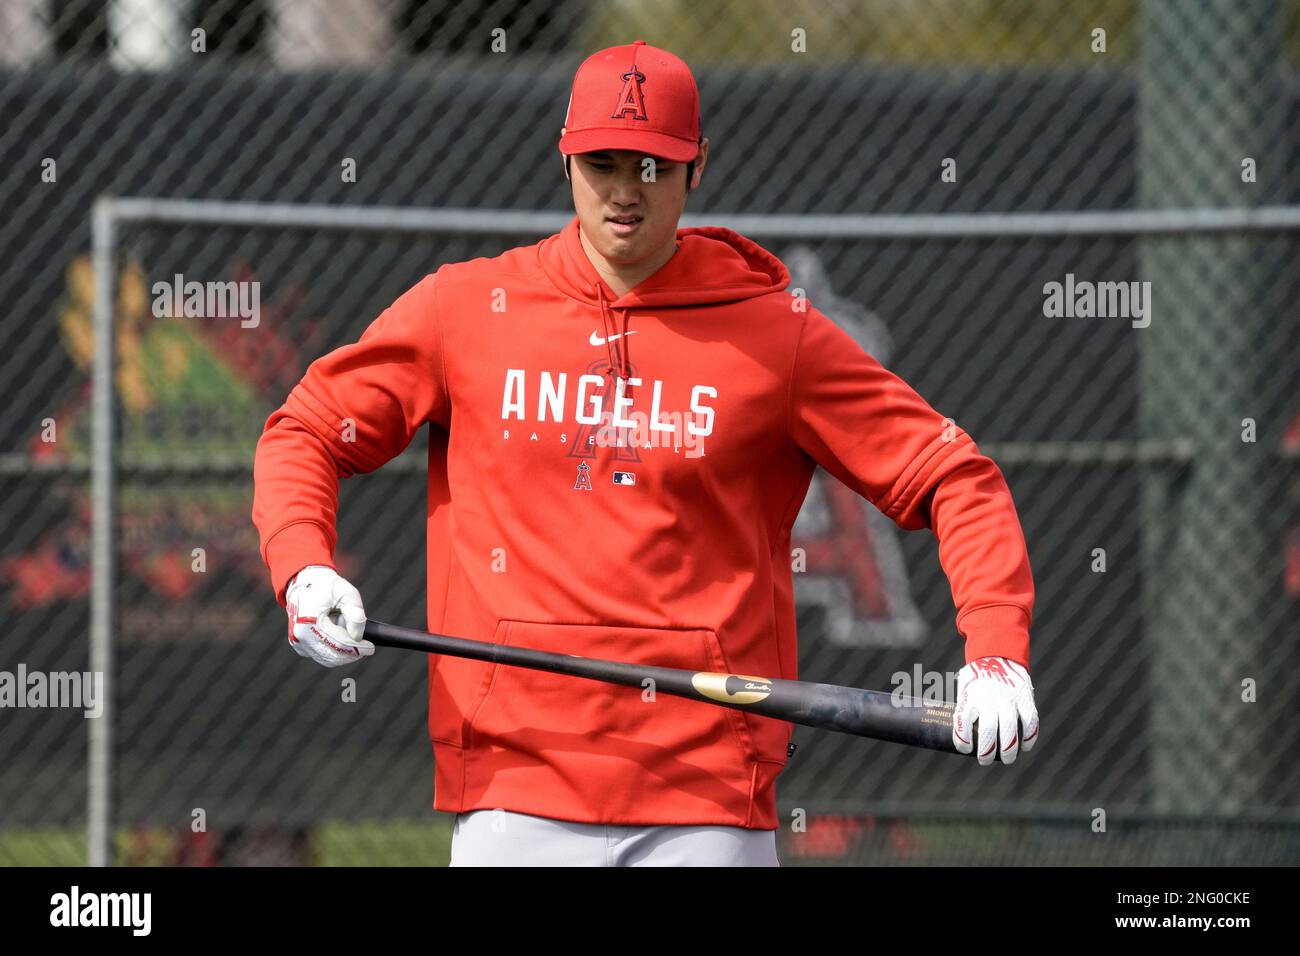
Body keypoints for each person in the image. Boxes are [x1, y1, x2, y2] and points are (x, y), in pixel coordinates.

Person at [251, 40, 1040, 867]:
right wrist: (305, 567)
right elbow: (306, 430)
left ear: (698, 168)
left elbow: (955, 475)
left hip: (704, 798)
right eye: (603, 163)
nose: (626, 191)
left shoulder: (777, 335)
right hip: (513, 782)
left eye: (654, 166)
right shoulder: (466, 308)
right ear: (565, 159)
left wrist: (995, 652)